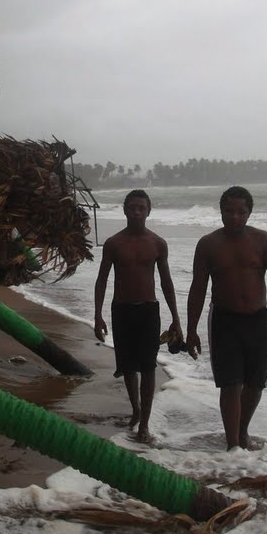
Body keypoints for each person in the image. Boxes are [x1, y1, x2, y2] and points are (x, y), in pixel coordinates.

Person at [186, 185, 267, 450]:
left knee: (256, 384)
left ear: (249, 213)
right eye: (229, 211)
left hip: (258, 319)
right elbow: (198, 289)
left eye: (241, 212)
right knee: (231, 384)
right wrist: (191, 330)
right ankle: (233, 444)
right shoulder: (208, 244)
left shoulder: (263, 241)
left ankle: (243, 430)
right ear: (221, 212)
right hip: (224, 320)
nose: (235, 217)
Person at [93, 189, 182, 443]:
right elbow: (102, 280)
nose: (136, 212)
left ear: (148, 211)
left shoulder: (157, 243)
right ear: (124, 210)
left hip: (148, 310)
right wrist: (98, 315)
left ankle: (144, 423)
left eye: (141, 208)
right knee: (128, 366)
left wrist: (176, 318)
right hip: (121, 309)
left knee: (148, 365)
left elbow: (166, 283)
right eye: (132, 207)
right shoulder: (114, 243)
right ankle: (135, 409)